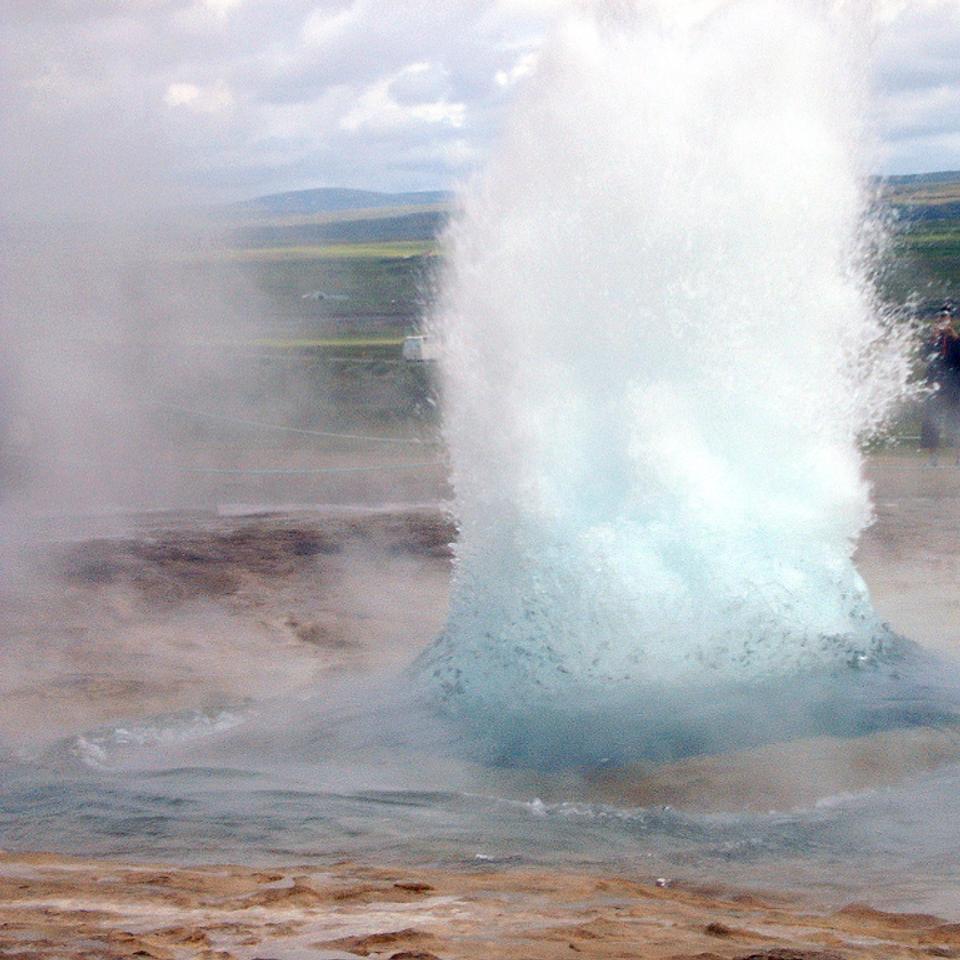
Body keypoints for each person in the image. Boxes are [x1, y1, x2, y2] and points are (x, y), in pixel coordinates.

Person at [921, 307, 960, 464]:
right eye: (940, 319)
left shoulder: (956, 340)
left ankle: (958, 457)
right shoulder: (932, 340)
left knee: (956, 420)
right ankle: (933, 457)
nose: (942, 322)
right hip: (935, 384)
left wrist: (956, 338)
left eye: (945, 319)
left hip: (954, 385)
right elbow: (924, 357)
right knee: (931, 420)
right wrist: (933, 339)